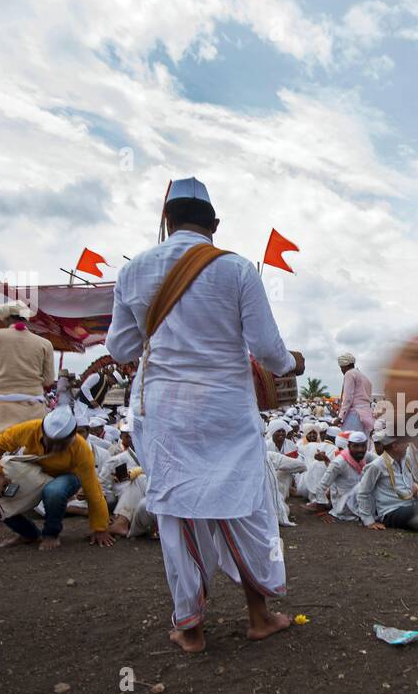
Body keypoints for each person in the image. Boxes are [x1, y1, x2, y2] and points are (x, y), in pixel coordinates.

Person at [106, 176, 304, 651]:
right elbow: (268, 351)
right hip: (225, 408)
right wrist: (291, 363)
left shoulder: (134, 271)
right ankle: (259, 617)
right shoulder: (236, 269)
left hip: (164, 409)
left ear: (166, 221)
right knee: (247, 506)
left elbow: (119, 346)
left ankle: (190, 628)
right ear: (214, 224)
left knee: (178, 510)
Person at [0, 405, 114, 552]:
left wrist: (100, 528)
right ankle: (29, 533)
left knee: (54, 490)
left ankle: (51, 534)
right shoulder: (29, 429)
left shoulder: (81, 449)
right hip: (32, 476)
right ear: (43, 431)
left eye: (62, 443)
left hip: (66, 479)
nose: (56, 447)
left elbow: (93, 489)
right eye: (51, 442)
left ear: (72, 436)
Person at [0, 300, 56, 438]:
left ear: (6, 318)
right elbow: (48, 380)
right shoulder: (45, 343)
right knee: (29, 451)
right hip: (32, 407)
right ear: (26, 318)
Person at [356, 435, 418, 530]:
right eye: (404, 443)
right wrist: (369, 521)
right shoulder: (377, 465)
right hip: (391, 511)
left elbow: (413, 485)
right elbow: (363, 493)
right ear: (395, 446)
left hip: (410, 506)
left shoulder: (406, 460)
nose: (407, 446)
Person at [317, 432, 369, 522]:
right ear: (349, 446)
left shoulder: (365, 456)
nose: (360, 449)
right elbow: (321, 487)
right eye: (356, 446)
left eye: (363, 446)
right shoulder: (339, 462)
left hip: (360, 501)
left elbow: (380, 462)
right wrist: (322, 511)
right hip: (343, 506)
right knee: (366, 483)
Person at [337, 353, 375, 433]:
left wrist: (340, 417)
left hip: (355, 414)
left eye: (341, 368)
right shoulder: (363, 376)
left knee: (348, 440)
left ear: (345, 366)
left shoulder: (349, 374)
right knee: (363, 440)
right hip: (366, 414)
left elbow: (348, 398)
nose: (341, 370)